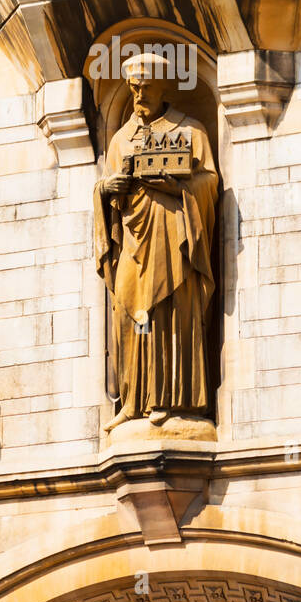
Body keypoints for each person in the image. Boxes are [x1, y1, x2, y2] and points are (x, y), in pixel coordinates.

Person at [94, 53, 219, 432]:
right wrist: (104, 189)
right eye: (133, 88)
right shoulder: (119, 139)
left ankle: (170, 399)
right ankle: (132, 401)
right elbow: (107, 188)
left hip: (173, 238)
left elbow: (210, 182)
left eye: (146, 87)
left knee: (171, 312)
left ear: (164, 85)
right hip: (132, 240)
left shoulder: (191, 131)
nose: (139, 95)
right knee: (128, 312)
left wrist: (179, 187)